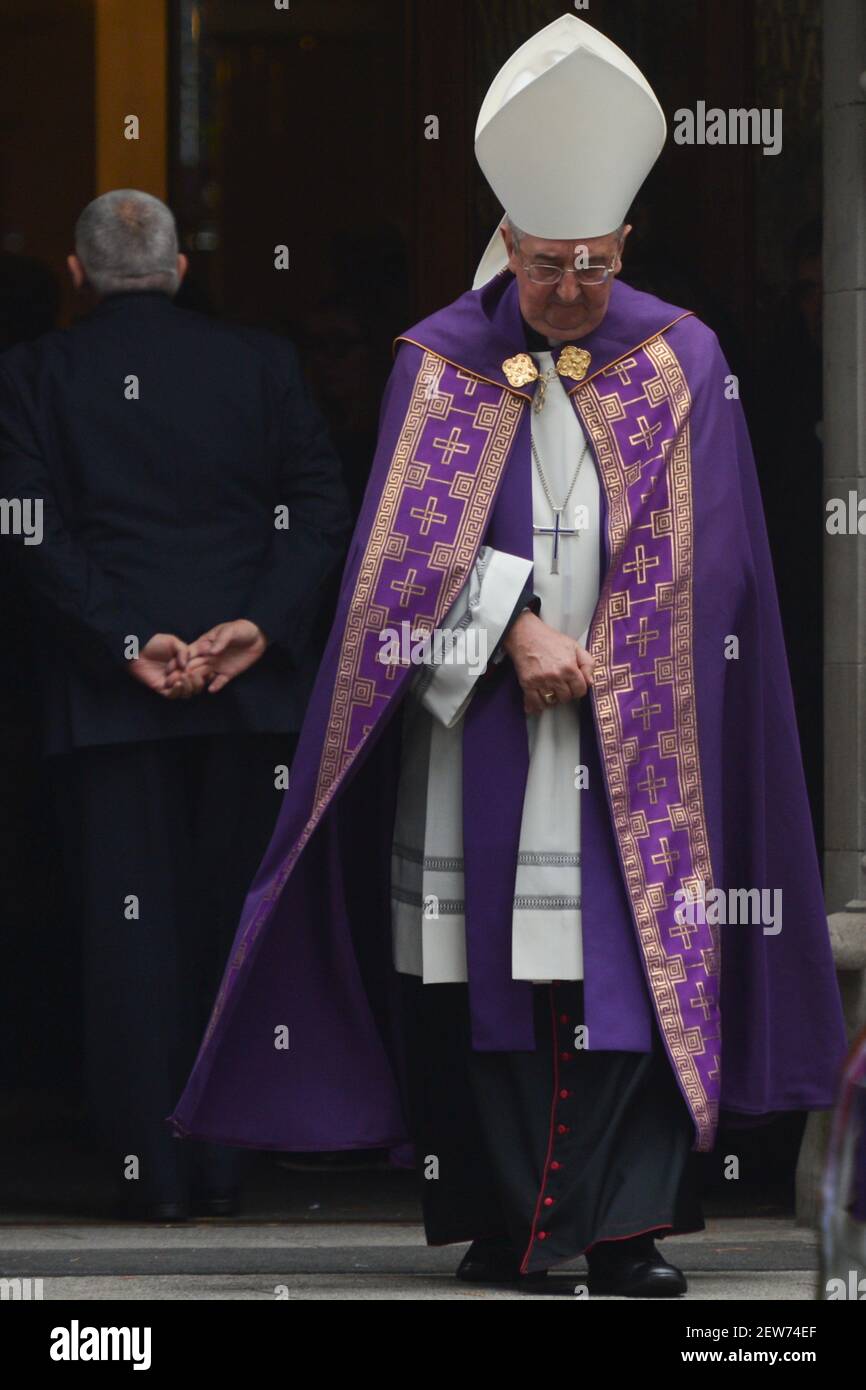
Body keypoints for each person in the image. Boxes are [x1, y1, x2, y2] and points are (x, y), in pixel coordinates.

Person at [169, 16, 847, 1294]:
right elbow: (390, 572)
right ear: (508, 244)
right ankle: (505, 1218)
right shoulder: (437, 363)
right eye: (546, 267)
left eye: (591, 265)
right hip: (478, 726)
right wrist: (510, 626)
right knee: (484, 973)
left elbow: (726, 563)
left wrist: (615, 647)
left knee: (627, 969)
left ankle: (626, 1230)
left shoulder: (681, 356)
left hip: (634, 733)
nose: (570, 290)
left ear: (625, 244)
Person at [0, 190, 351, 1219]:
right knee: (228, 928)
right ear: (182, 268)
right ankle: (224, 1163)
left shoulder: (32, 374)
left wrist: (123, 641)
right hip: (248, 704)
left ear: (77, 274)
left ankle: (148, 1174)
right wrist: (256, 626)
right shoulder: (260, 363)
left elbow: (28, 529)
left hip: (112, 709)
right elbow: (322, 503)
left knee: (127, 940)